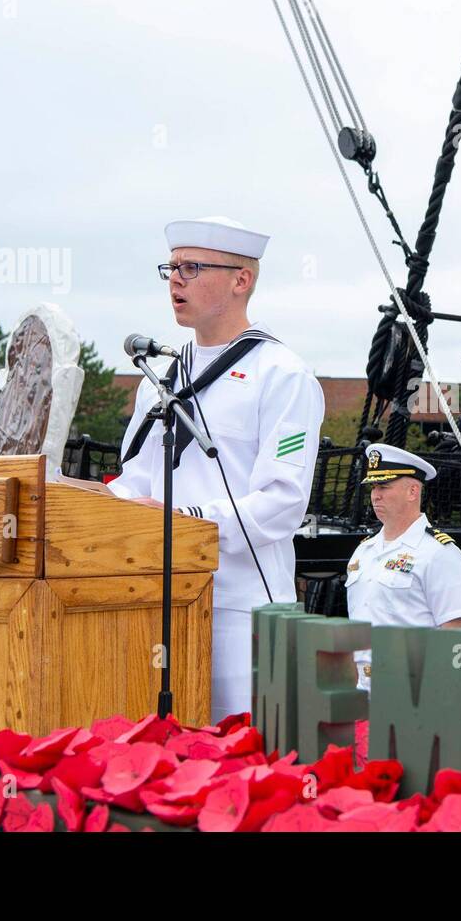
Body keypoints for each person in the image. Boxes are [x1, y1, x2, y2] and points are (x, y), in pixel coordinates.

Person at [108, 215, 325, 722]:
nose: (176, 279)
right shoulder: (158, 374)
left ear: (241, 279)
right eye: (172, 268)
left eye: (192, 267)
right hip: (157, 599)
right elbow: (135, 480)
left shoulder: (283, 375)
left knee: (240, 756)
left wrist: (180, 519)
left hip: (241, 606)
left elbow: (282, 502)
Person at [345, 444, 461, 690]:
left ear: (413, 491)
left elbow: (455, 636)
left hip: (413, 693)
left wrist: (449, 696)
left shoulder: (439, 554)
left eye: (384, 486)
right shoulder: (363, 551)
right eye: (373, 487)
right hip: (360, 692)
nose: (375, 495)